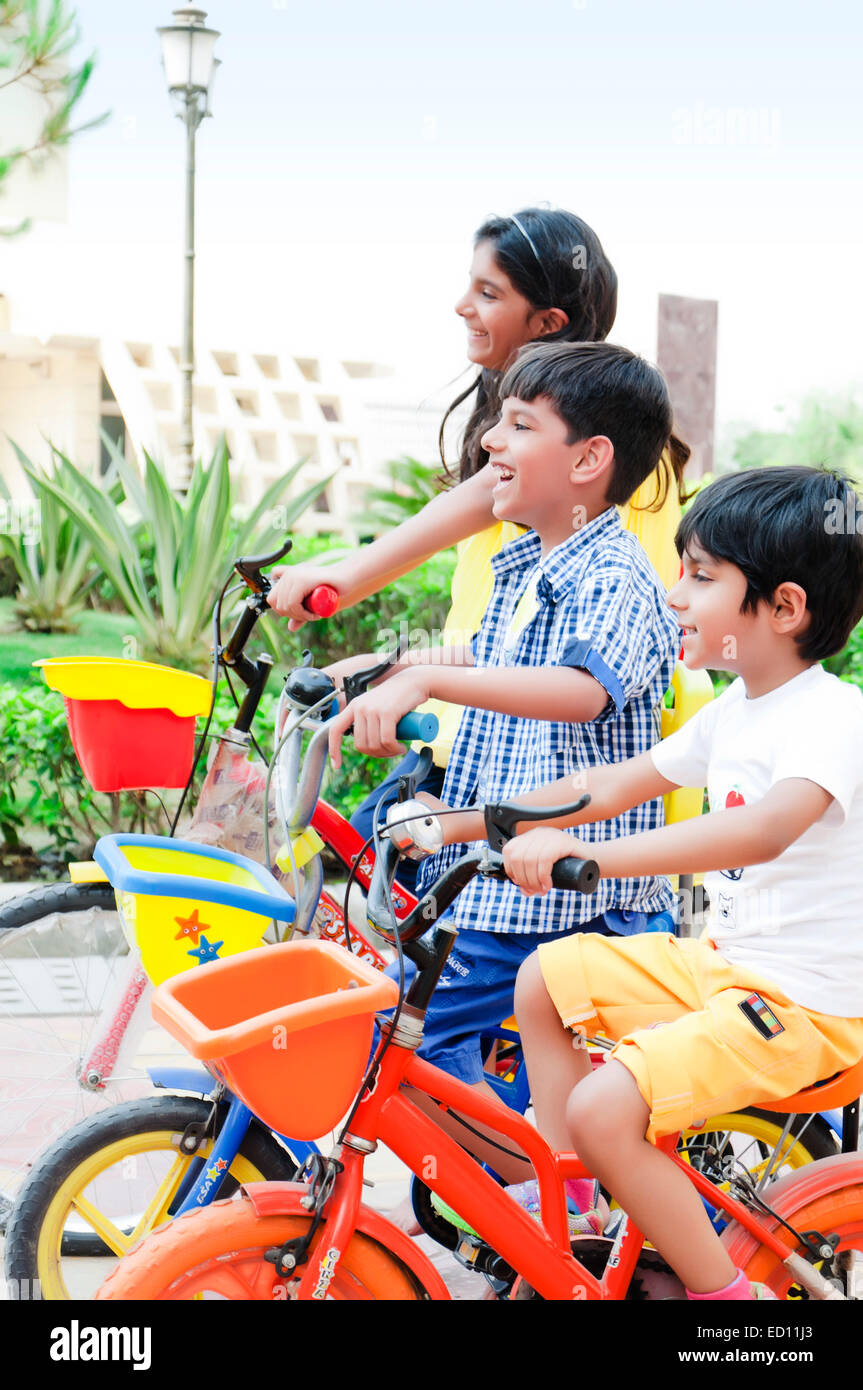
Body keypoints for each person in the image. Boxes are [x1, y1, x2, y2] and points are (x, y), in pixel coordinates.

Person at [490, 465, 863, 1299]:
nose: (672, 594)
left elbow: (760, 829)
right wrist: (467, 820)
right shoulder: (735, 708)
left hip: (809, 1010)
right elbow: (619, 783)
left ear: (784, 607)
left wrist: (582, 859)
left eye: (699, 576)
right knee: (544, 978)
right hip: (729, 971)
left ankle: (732, 1305)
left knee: (601, 1110)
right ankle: (574, 1207)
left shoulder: (834, 718)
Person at [327, 340, 682, 1194]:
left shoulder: (613, 575)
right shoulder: (531, 563)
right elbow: (489, 658)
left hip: (563, 895)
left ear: (589, 460)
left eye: (519, 425)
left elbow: (579, 690)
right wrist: (390, 663)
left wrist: (429, 673)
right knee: (404, 1034)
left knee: (395, 1039)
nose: (490, 440)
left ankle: (546, 1198)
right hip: (499, 883)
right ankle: (542, 1193)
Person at [267, 208, 688, 889]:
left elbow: (587, 671)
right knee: (373, 917)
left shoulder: (588, 484)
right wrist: (392, 662)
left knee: (392, 941)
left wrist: (341, 583)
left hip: (525, 771)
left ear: (547, 324)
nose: (463, 305)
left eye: (490, 293)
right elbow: (504, 634)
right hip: (473, 741)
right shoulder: (533, 464)